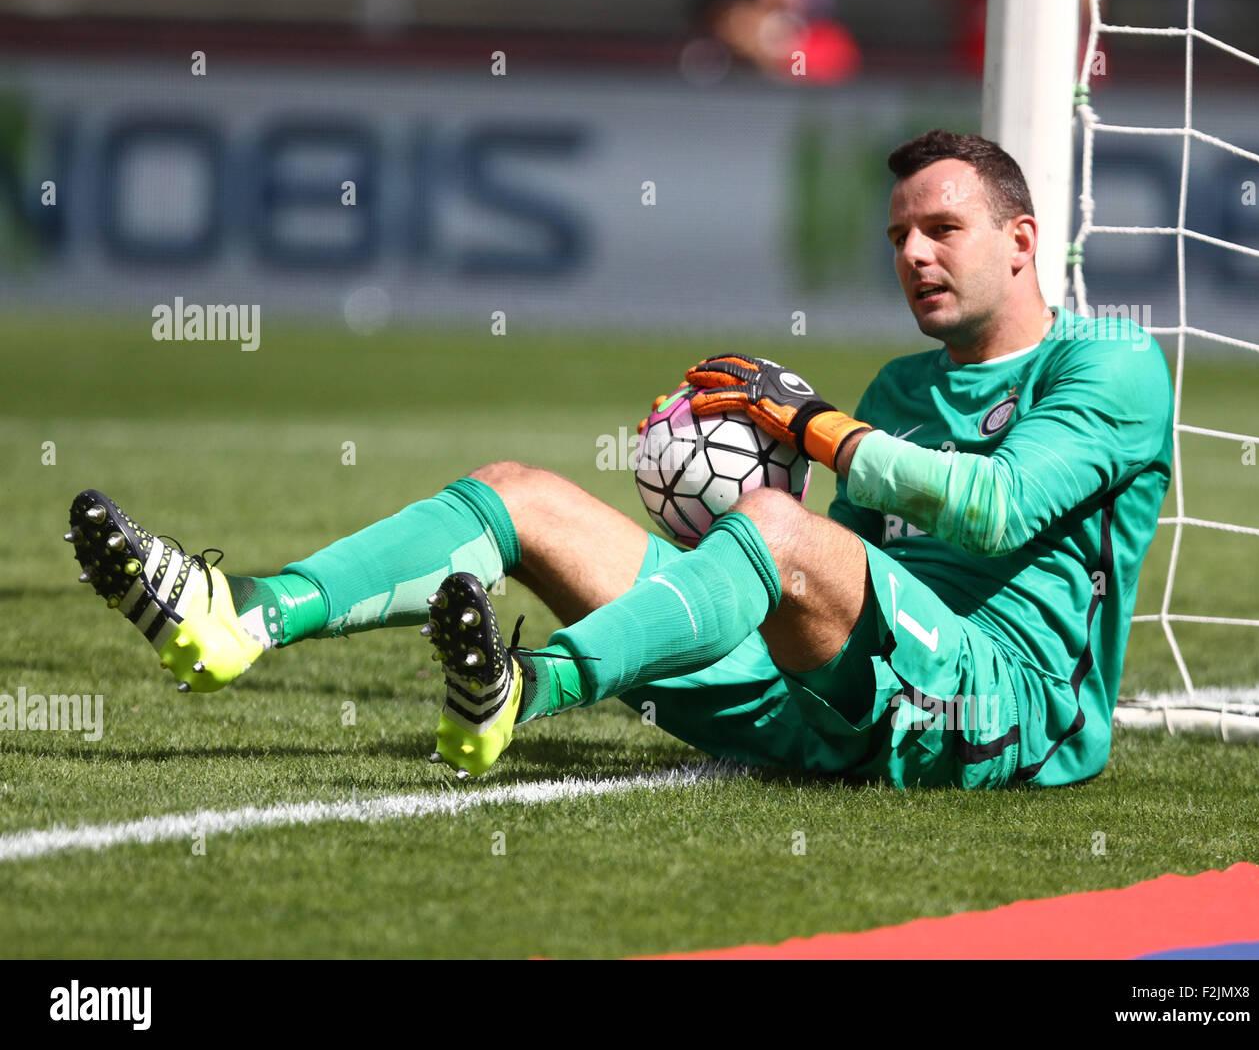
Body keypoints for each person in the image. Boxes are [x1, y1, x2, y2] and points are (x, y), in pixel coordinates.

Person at [65, 129, 1172, 789]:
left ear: (1022, 241)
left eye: (942, 228)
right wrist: (719, 490)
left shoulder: (1110, 363)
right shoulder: (901, 389)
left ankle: (529, 688)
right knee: (519, 495)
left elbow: (994, 509)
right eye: (896, 237)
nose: (914, 254)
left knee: (786, 533)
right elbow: (829, 573)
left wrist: (807, 432)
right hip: (837, 704)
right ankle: (239, 611)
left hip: (998, 716)